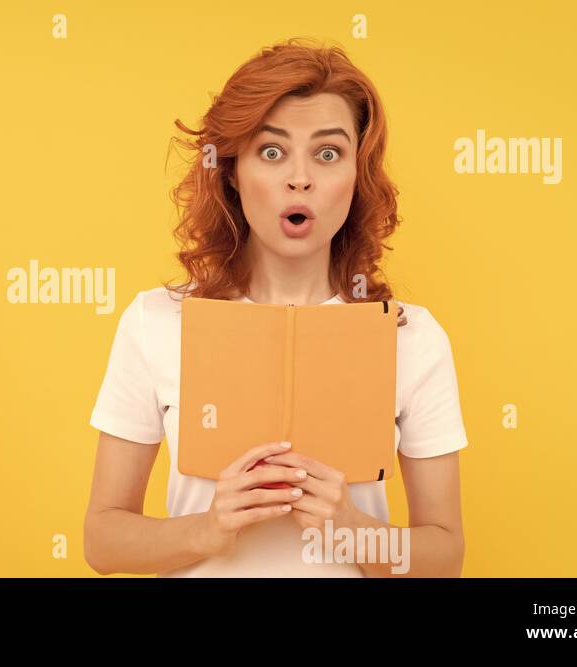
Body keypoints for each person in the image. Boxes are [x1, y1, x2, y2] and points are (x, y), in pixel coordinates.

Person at [83, 38, 468, 577]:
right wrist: (206, 529)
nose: (300, 178)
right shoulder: (155, 323)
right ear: (232, 172)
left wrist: (351, 531)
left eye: (328, 153)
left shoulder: (412, 338)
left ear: (357, 177)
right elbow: (103, 540)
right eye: (271, 151)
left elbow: (445, 558)